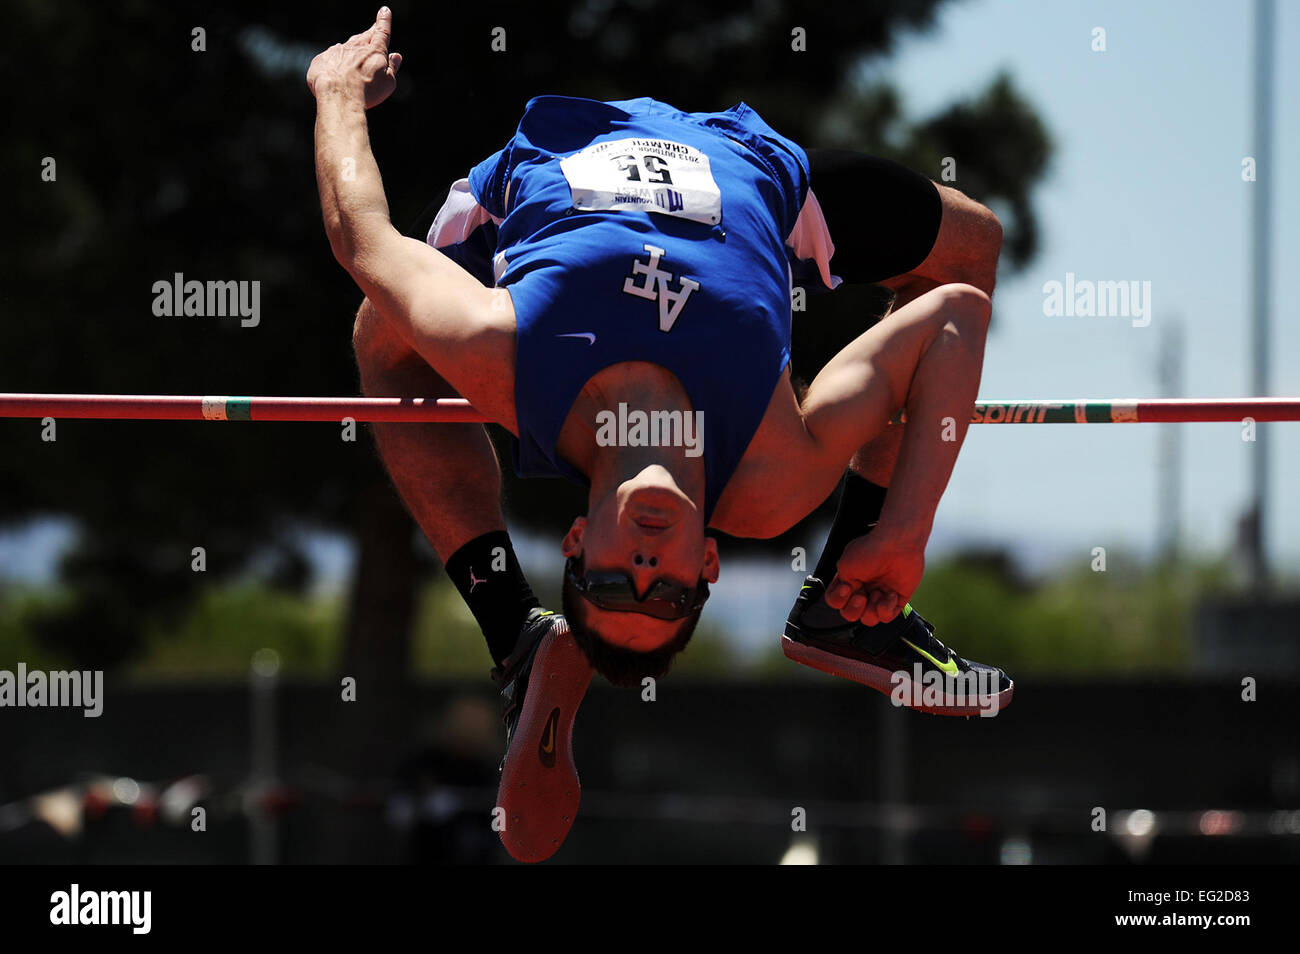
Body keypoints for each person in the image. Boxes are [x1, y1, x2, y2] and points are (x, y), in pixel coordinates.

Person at [308, 9, 1010, 863]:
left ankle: (512, 630)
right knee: (975, 245)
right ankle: (841, 606)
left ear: (576, 540)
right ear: (705, 566)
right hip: (753, 169)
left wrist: (337, 92)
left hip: (555, 161)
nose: (644, 571)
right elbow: (953, 319)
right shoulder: (769, 478)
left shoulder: (508, 361)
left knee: (381, 330)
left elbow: (361, 238)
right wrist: (900, 533)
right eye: (669, 595)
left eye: (611, 583)